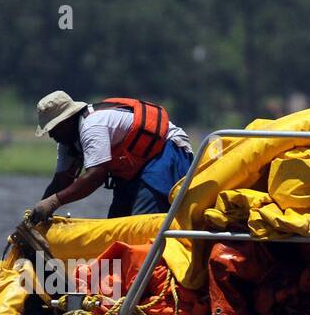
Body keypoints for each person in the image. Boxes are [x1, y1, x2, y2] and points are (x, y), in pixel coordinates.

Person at [27, 91, 194, 223]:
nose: (51, 135)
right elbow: (61, 180)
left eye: (54, 128)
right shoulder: (66, 141)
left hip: (166, 153)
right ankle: (116, 265)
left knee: (140, 224)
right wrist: (39, 210)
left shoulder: (92, 126)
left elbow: (96, 176)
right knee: (116, 226)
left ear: (67, 120)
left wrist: (54, 202)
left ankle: (147, 265)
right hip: (134, 169)